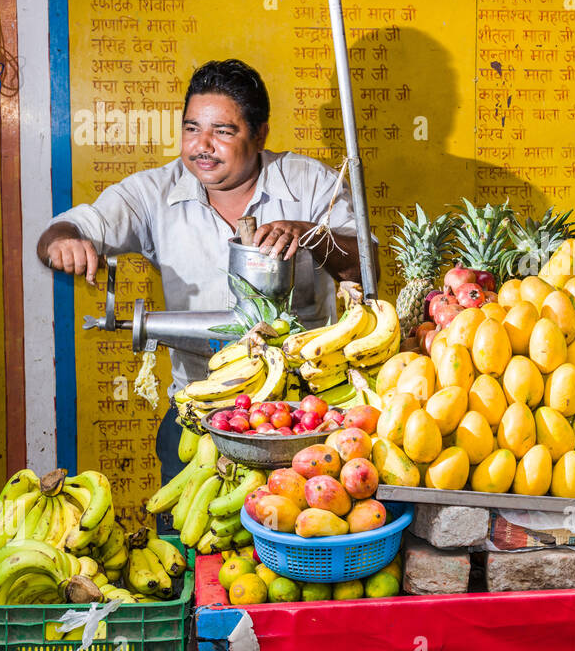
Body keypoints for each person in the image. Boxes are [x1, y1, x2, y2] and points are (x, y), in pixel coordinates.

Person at [38, 59, 371, 518]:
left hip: (305, 418)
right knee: (192, 543)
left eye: (223, 132)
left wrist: (311, 233)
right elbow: (70, 226)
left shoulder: (308, 183)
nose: (202, 147)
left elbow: (367, 267)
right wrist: (66, 243)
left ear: (260, 134)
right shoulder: (154, 193)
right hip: (201, 417)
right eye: (191, 129)